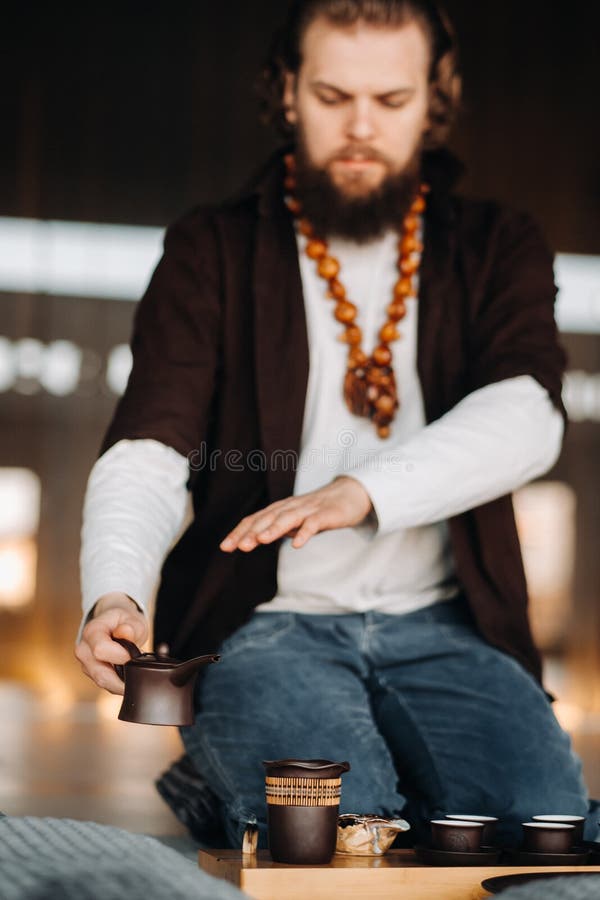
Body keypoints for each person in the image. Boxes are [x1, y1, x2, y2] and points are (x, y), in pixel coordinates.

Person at [75, 0, 598, 849]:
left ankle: (223, 784)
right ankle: (239, 767)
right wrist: (115, 589)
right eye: (331, 95)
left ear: (436, 99)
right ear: (286, 93)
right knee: (349, 833)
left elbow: (528, 414)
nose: (360, 127)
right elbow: (152, 441)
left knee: (543, 832)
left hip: (446, 624)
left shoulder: (498, 243)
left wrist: (361, 490)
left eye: (391, 101)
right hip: (265, 625)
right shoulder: (212, 248)